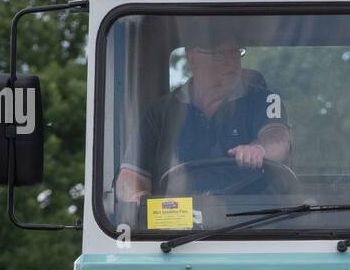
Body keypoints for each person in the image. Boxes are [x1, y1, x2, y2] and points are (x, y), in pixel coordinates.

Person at [115, 32, 291, 202]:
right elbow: (130, 177)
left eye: (235, 52)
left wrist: (260, 149)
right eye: (220, 54)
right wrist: (137, 197)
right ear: (192, 58)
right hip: (178, 226)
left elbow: (277, 140)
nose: (231, 61)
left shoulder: (263, 100)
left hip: (255, 222)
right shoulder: (158, 113)